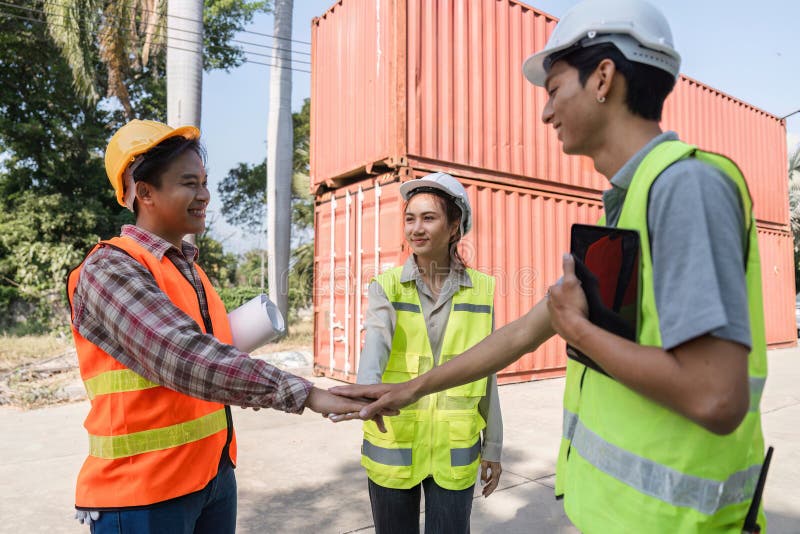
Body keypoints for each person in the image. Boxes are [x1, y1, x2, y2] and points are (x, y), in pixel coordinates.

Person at [331, 1, 768, 531]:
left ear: (604, 77)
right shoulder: (628, 205)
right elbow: (521, 335)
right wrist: (410, 389)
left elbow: (716, 395)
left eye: (555, 89)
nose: (545, 112)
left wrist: (579, 329)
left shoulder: (685, 188)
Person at [67, 119, 370, 533]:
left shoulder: (192, 270)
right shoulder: (110, 269)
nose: (204, 195)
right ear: (145, 192)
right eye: (189, 183)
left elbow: (212, 354)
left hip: (211, 477)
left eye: (205, 182)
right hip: (142, 496)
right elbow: (184, 357)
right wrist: (309, 394)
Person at [356, 172, 503, 534]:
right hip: (394, 445)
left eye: (428, 218)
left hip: (455, 451)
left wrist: (494, 446)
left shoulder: (481, 290)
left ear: (455, 227)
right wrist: (362, 394)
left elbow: (488, 374)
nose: (416, 228)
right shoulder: (387, 286)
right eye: (410, 218)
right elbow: (374, 345)